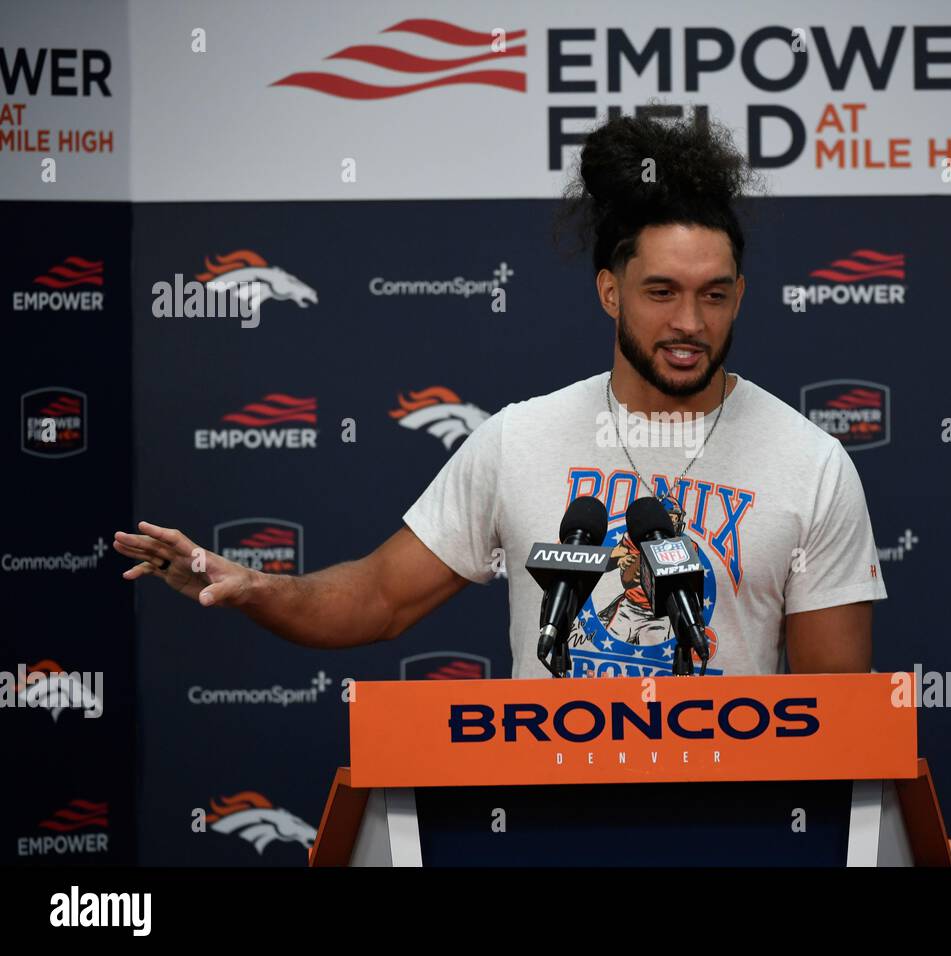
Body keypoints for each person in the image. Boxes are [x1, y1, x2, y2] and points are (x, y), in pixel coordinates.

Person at [113, 114, 888, 678]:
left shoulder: (810, 464)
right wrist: (255, 588)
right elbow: (380, 599)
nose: (690, 323)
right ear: (610, 292)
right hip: (546, 822)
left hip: (734, 828)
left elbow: (835, 714)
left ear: (742, 295)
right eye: (662, 292)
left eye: (714, 295)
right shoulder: (522, 440)